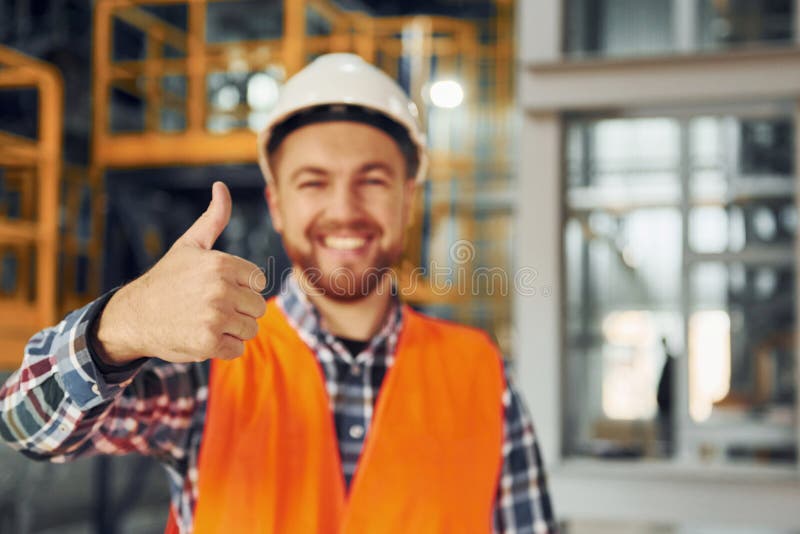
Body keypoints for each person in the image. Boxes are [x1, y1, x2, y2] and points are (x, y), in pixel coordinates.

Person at [0, 53, 556, 533]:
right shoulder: (211, 363)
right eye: (314, 181)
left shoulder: (481, 373)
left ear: (408, 199)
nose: (344, 209)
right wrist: (124, 324)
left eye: (373, 180)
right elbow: (25, 425)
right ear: (277, 205)